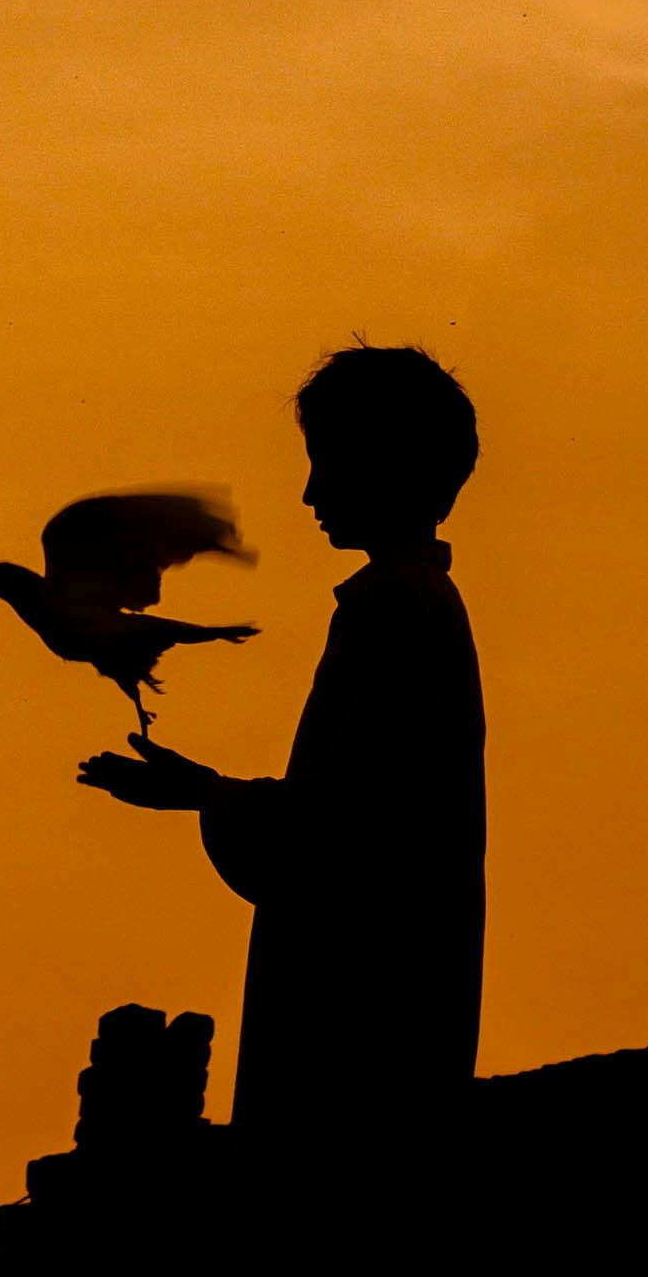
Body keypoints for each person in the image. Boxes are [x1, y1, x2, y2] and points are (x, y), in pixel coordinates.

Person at [79, 344, 485, 1138]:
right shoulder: (412, 603)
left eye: (327, 461)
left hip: (364, 1014)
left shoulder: (396, 611)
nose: (309, 492)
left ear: (384, 465)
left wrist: (206, 795)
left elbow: (346, 835)